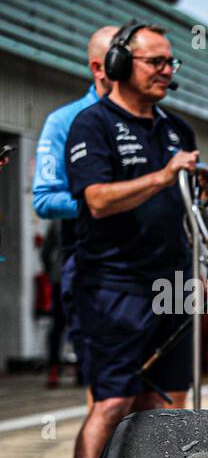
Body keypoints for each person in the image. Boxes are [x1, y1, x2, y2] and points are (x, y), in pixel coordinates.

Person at [58, 22, 208, 458]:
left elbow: (182, 194)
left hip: (172, 282)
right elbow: (98, 200)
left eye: (170, 63)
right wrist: (161, 177)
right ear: (116, 64)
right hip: (113, 282)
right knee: (111, 401)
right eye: (155, 61)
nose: (165, 71)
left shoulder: (177, 128)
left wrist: (205, 186)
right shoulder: (93, 123)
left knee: (170, 404)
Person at [33, 25, 117, 389]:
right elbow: (45, 200)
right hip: (95, 271)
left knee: (164, 400)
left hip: (158, 277)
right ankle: (57, 369)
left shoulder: (161, 124)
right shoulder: (66, 121)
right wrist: (110, 200)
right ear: (100, 67)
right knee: (110, 398)